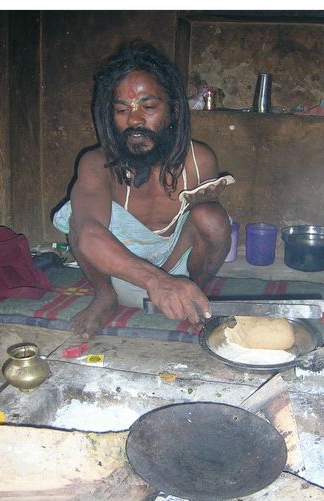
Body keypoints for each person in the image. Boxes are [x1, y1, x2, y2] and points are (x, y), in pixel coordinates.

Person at [53, 40, 232, 339]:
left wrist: (201, 207)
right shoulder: (97, 163)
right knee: (77, 216)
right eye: (122, 109)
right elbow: (87, 235)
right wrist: (155, 281)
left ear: (174, 110)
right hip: (117, 272)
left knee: (212, 217)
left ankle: (193, 296)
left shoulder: (199, 160)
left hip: (177, 271)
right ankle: (105, 297)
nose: (134, 119)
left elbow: (207, 235)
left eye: (148, 107)